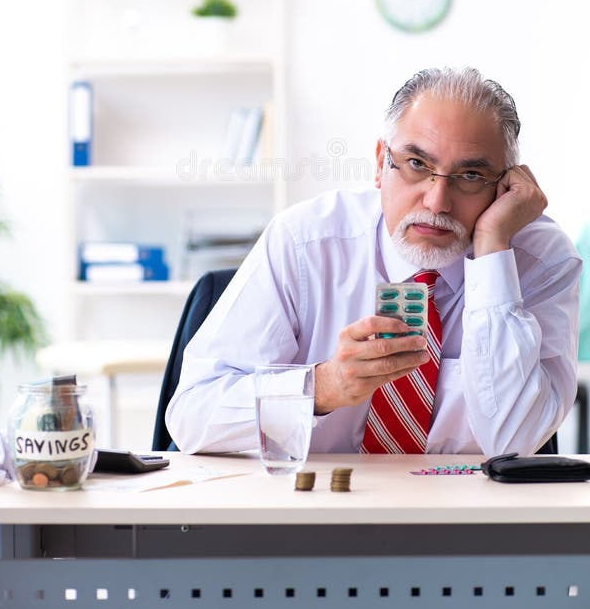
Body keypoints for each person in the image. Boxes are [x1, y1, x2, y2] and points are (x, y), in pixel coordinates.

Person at [166, 67, 581, 456]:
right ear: (382, 162)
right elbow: (192, 416)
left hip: (470, 522)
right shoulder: (303, 242)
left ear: (506, 187)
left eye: (471, 176)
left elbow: (515, 442)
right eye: (417, 165)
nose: (437, 202)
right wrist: (322, 387)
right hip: (310, 514)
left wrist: (494, 249)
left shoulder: (539, 262)